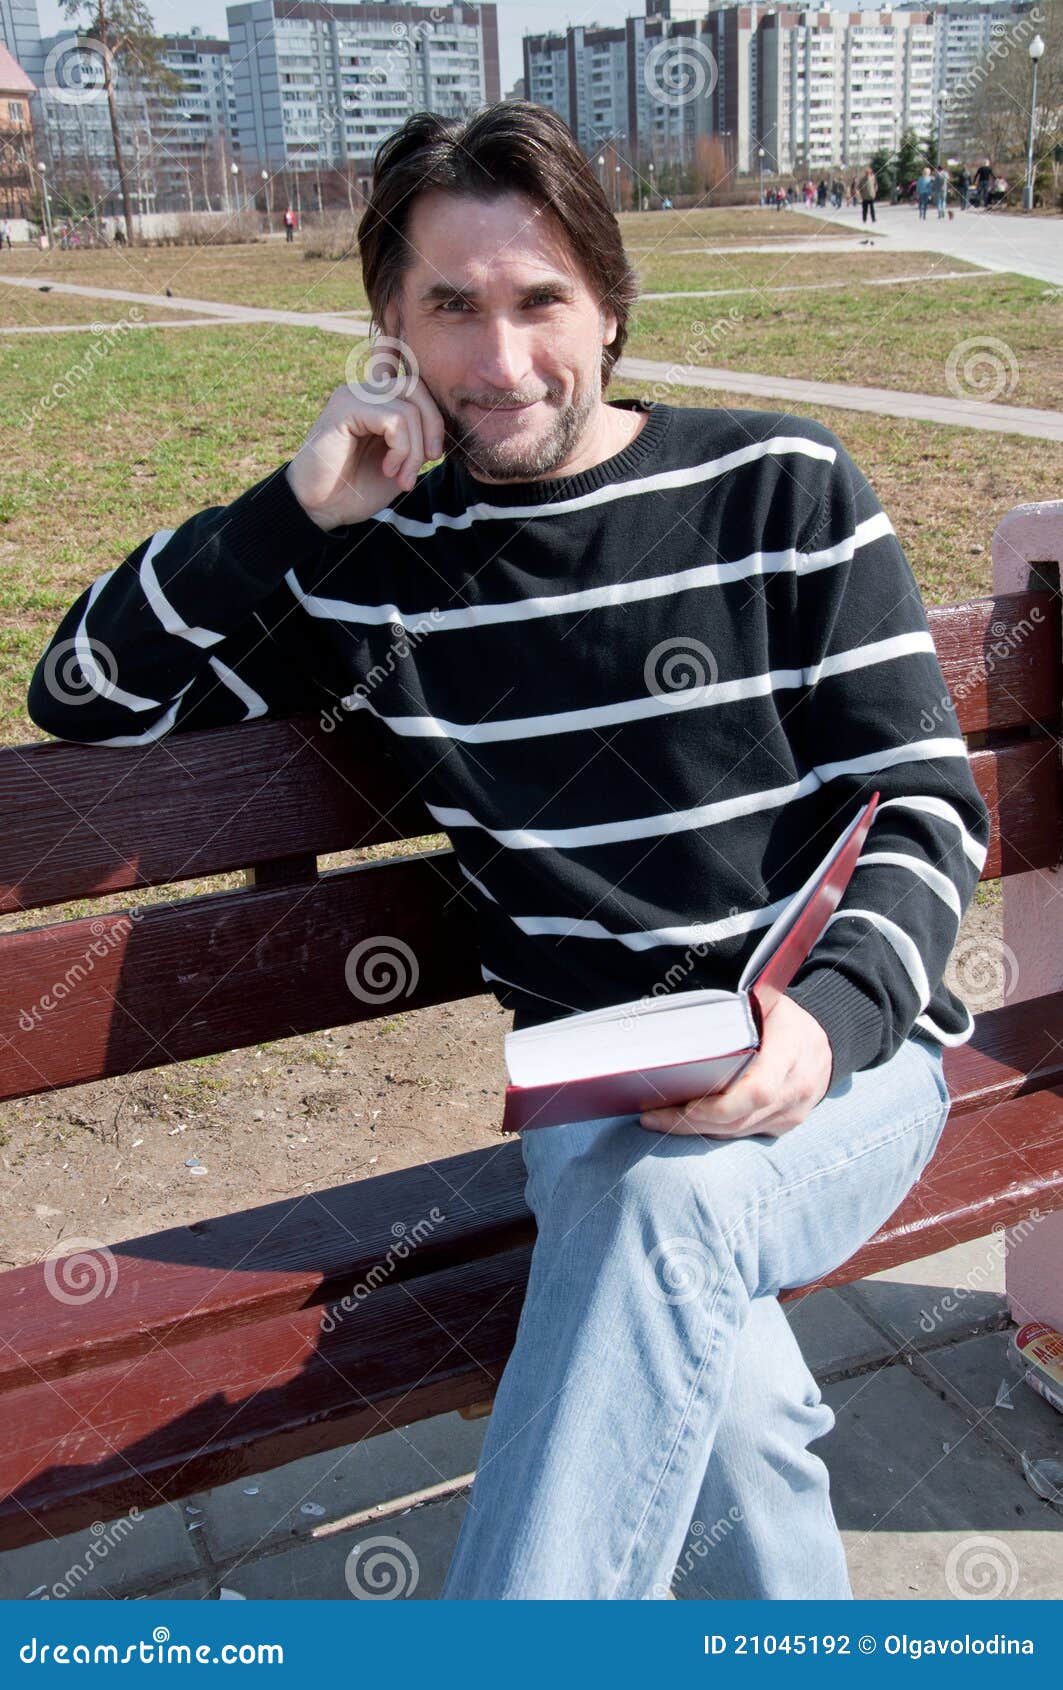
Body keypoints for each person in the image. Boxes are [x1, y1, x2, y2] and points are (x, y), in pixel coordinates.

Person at [27, 100, 989, 1602]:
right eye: (451, 307)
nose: (502, 360)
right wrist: (284, 514)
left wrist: (828, 1022)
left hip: (848, 1072)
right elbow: (84, 696)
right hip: (592, 1106)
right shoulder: (366, 564)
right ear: (389, 332)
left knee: (674, 1219)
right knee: (723, 1389)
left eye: (541, 299)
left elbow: (928, 804)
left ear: (608, 304)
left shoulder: (779, 489)